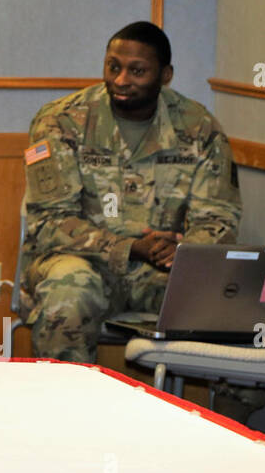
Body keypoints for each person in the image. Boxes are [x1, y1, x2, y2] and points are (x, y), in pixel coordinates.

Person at [21, 21, 242, 363]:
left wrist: (182, 250)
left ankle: (225, 417)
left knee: (232, 302)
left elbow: (219, 218)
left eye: (137, 71)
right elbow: (49, 223)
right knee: (70, 290)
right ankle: (64, 408)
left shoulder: (199, 128)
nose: (121, 80)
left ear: (165, 75)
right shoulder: (61, 121)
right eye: (113, 67)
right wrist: (130, 248)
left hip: (159, 271)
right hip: (78, 261)